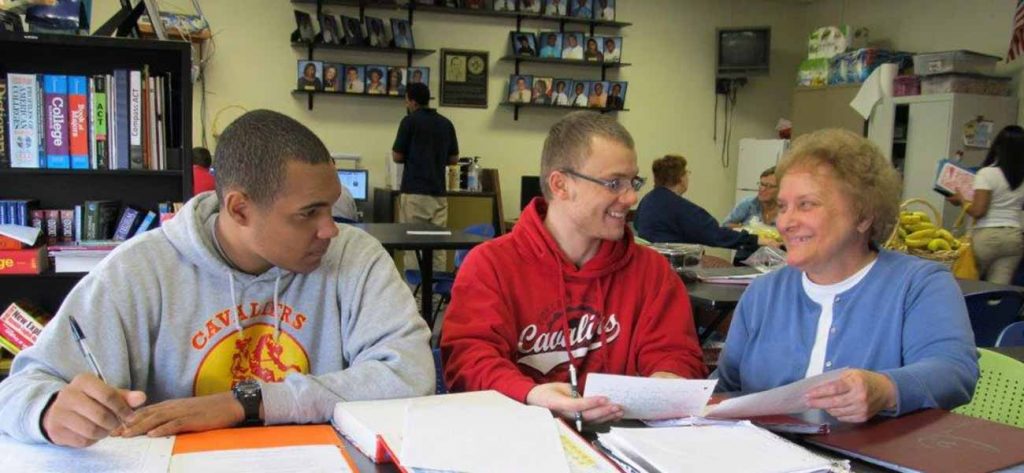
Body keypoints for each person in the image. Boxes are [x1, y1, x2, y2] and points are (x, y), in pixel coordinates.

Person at [0, 110, 434, 447]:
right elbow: (20, 389)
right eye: (309, 214)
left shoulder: (355, 259)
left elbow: (411, 373)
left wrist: (244, 403)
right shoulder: (139, 270)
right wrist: (49, 410)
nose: (330, 229)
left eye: (331, 207)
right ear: (240, 209)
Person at [441, 112, 706, 425]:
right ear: (561, 185)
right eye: (614, 183)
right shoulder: (491, 265)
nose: (632, 197)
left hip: (622, 443)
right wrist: (532, 395)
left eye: (633, 182)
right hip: (518, 436)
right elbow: (469, 360)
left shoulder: (652, 272)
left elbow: (677, 355)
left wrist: (667, 380)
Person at [718, 129, 978, 423]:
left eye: (807, 204)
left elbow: (954, 370)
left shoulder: (919, 285)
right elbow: (727, 386)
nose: (786, 222)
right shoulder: (763, 293)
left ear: (863, 216)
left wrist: (885, 388)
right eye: (782, 206)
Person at [634, 155, 775, 253]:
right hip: (673, 266)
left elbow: (636, 224)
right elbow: (714, 234)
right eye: (686, 173)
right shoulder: (681, 208)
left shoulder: (648, 200)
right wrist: (755, 240)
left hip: (651, 263)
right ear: (681, 178)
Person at [392, 82, 460, 274]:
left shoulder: (409, 122)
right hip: (438, 194)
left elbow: (397, 156)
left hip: (414, 192)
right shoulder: (446, 123)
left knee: (413, 246)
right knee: (437, 246)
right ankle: (436, 295)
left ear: (412, 101)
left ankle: (417, 296)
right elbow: (454, 158)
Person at [947, 125, 1024, 284]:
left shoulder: (987, 173)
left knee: (969, 284)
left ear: (997, 147)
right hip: (1014, 238)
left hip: (987, 237)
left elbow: (978, 211)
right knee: (997, 290)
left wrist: (961, 200)